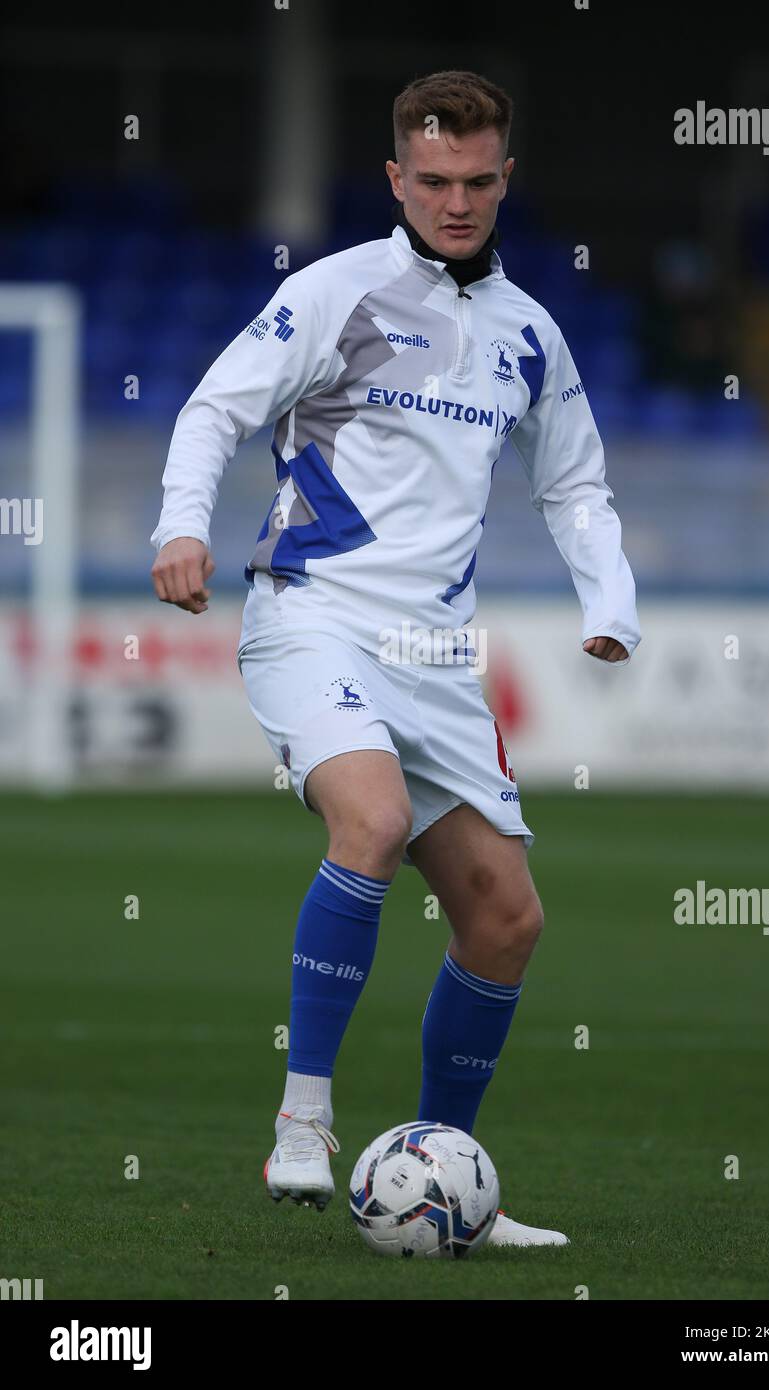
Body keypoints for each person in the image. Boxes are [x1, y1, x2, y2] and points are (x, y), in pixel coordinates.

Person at [150, 69, 640, 1247]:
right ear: (394, 179)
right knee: (364, 821)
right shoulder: (336, 291)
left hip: (434, 657)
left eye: (477, 182)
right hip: (312, 615)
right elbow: (215, 407)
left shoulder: (530, 331)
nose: (456, 202)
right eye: (433, 182)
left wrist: (608, 599)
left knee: (504, 921)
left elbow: (572, 485)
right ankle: (304, 1115)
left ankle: (441, 1176)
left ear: (504, 176)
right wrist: (179, 522)